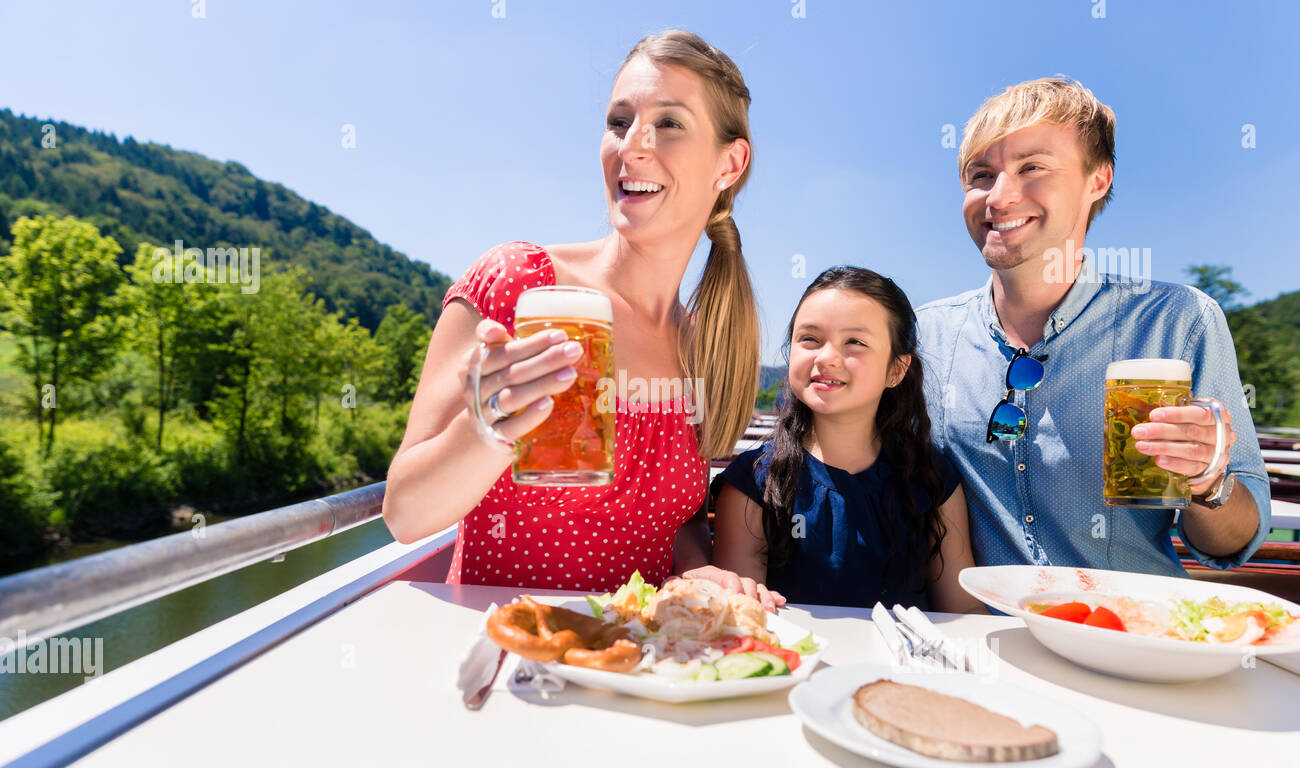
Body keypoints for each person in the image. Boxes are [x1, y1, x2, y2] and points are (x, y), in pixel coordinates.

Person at [382, 30, 771, 599]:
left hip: (636, 669)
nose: (632, 146)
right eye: (619, 122)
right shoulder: (521, 284)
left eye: (670, 123)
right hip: (516, 667)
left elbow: (676, 520)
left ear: (730, 162)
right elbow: (405, 514)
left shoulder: (703, 343)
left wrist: (693, 567)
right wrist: (486, 425)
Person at [916, 77, 1270, 576]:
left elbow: (1233, 542)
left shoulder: (1178, 320)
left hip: (1129, 636)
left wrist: (1207, 481)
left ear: (1097, 181)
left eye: (1032, 167)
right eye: (981, 175)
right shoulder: (924, 336)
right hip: (977, 639)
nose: (999, 197)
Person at [711, 266, 983, 613]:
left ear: (896, 370)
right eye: (809, 338)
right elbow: (743, 618)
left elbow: (966, 613)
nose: (826, 358)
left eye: (854, 342)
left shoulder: (932, 480)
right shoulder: (752, 484)